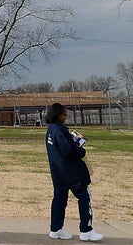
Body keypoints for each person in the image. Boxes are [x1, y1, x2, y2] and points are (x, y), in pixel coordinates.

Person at [44, 102, 103, 241]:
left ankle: (56, 228)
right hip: (72, 173)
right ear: (58, 115)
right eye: (64, 114)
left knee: (59, 200)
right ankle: (86, 230)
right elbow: (69, 151)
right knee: (84, 197)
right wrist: (81, 149)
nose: (66, 117)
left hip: (58, 172)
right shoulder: (60, 130)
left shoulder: (51, 130)